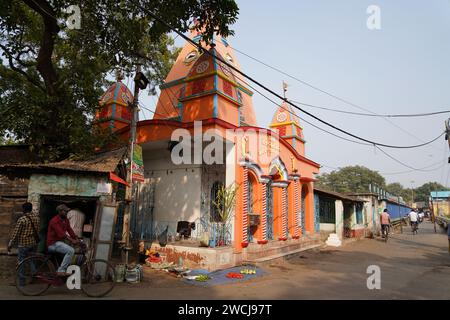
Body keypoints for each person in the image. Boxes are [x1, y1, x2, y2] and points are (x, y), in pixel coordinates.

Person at [47, 204, 79, 276]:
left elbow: (70, 230)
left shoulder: (66, 220)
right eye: (65, 211)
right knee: (71, 250)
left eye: (67, 211)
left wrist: (76, 238)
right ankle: (61, 270)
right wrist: (72, 240)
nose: (66, 213)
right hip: (53, 243)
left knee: (69, 253)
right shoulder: (54, 221)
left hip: (60, 242)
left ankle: (62, 270)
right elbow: (61, 234)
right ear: (60, 212)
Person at [8, 202, 40, 269]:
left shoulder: (22, 219)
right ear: (31, 209)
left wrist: (10, 244)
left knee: (21, 262)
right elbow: (37, 231)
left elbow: (15, 233)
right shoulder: (37, 219)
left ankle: (21, 279)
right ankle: (34, 275)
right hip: (33, 243)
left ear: (24, 209)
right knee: (32, 260)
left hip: (23, 244)